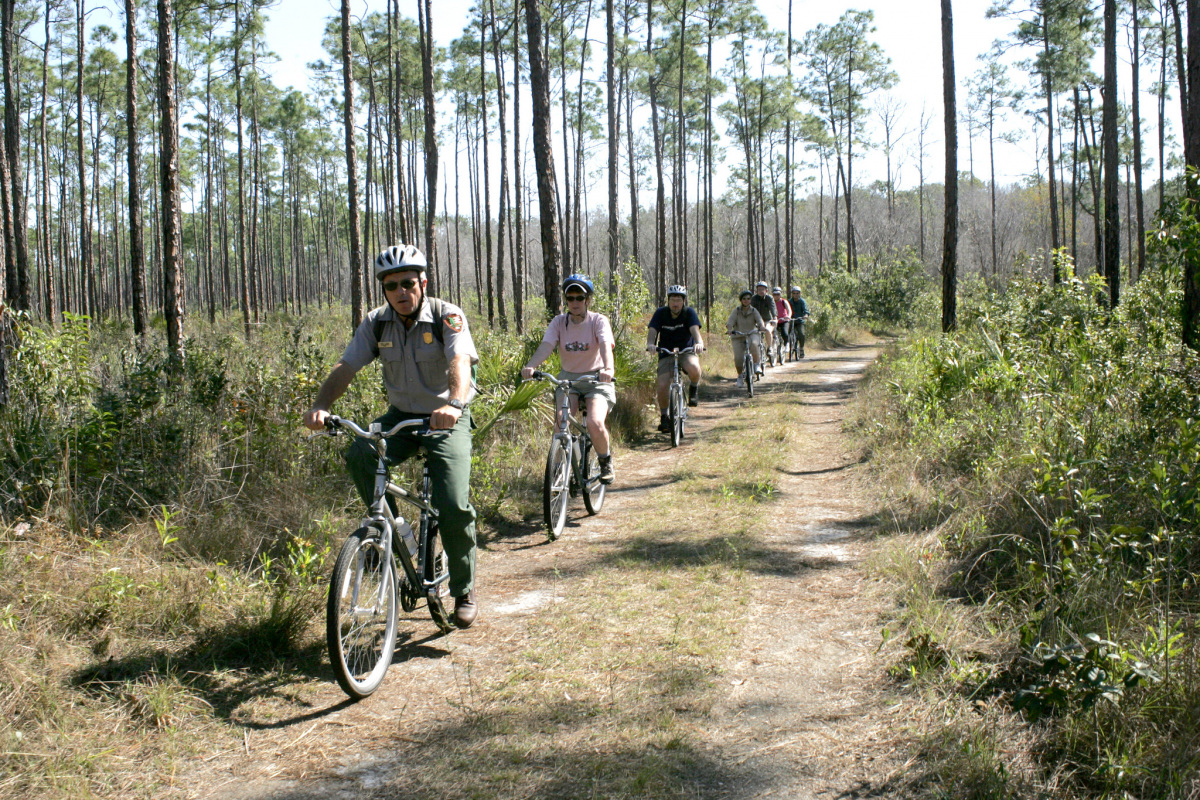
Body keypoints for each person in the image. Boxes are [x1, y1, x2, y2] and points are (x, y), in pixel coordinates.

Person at [303, 244, 481, 630]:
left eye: (408, 283)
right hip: (401, 416)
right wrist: (320, 405)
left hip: (446, 417)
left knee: (452, 502)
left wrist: (453, 404)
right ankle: (393, 534)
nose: (401, 292)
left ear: (423, 283)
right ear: (383, 289)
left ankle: (463, 590)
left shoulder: (446, 315)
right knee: (359, 454)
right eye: (391, 286)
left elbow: (459, 360)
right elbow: (347, 365)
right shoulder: (377, 322)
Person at [520, 274, 618, 484]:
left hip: (596, 379)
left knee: (594, 422)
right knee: (561, 421)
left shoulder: (598, 321)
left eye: (579, 298)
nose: (575, 302)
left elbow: (605, 346)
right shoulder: (559, 322)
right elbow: (546, 346)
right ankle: (559, 467)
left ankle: (605, 461)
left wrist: (608, 369)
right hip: (568, 380)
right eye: (570, 298)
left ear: (587, 299)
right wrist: (531, 366)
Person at [645, 284, 706, 433]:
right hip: (666, 352)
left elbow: (694, 329)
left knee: (694, 367)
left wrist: (699, 342)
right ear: (668, 301)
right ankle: (664, 416)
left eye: (678, 300)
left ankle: (693, 388)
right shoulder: (661, 313)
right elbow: (653, 330)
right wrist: (650, 344)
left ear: (683, 301)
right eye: (672, 300)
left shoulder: (688, 312)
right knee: (662, 385)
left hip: (686, 351)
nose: (675, 303)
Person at [726, 289, 766, 388]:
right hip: (738, 336)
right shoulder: (736, 311)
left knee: (754, 344)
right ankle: (740, 376)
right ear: (741, 300)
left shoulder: (754, 310)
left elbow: (760, 320)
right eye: (744, 299)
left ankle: (757, 364)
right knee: (738, 358)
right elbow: (730, 321)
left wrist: (762, 327)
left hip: (751, 334)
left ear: (750, 300)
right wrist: (729, 329)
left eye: (748, 298)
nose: (746, 300)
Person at [750, 281, 777, 370]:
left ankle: (769, 348)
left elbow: (773, 309)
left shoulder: (769, 298)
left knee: (768, 330)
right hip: (756, 321)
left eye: (763, 289)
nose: (761, 291)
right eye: (759, 289)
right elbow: (750, 310)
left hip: (768, 320)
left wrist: (775, 318)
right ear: (756, 290)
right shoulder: (754, 299)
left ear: (766, 290)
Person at [788, 285, 810, 358]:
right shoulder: (789, 301)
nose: (795, 295)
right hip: (791, 321)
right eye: (794, 293)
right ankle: (787, 347)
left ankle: (801, 348)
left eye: (797, 293)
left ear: (800, 294)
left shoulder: (802, 301)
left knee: (801, 334)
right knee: (786, 332)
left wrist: (806, 315)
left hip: (800, 321)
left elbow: (806, 310)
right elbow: (786, 309)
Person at [772, 286, 792, 362]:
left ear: (780, 294)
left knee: (784, 332)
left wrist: (788, 316)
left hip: (784, 320)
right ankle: (773, 348)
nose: (776, 296)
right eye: (775, 294)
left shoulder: (784, 301)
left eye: (778, 294)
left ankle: (787, 344)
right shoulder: (771, 302)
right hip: (775, 321)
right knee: (773, 334)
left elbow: (789, 310)